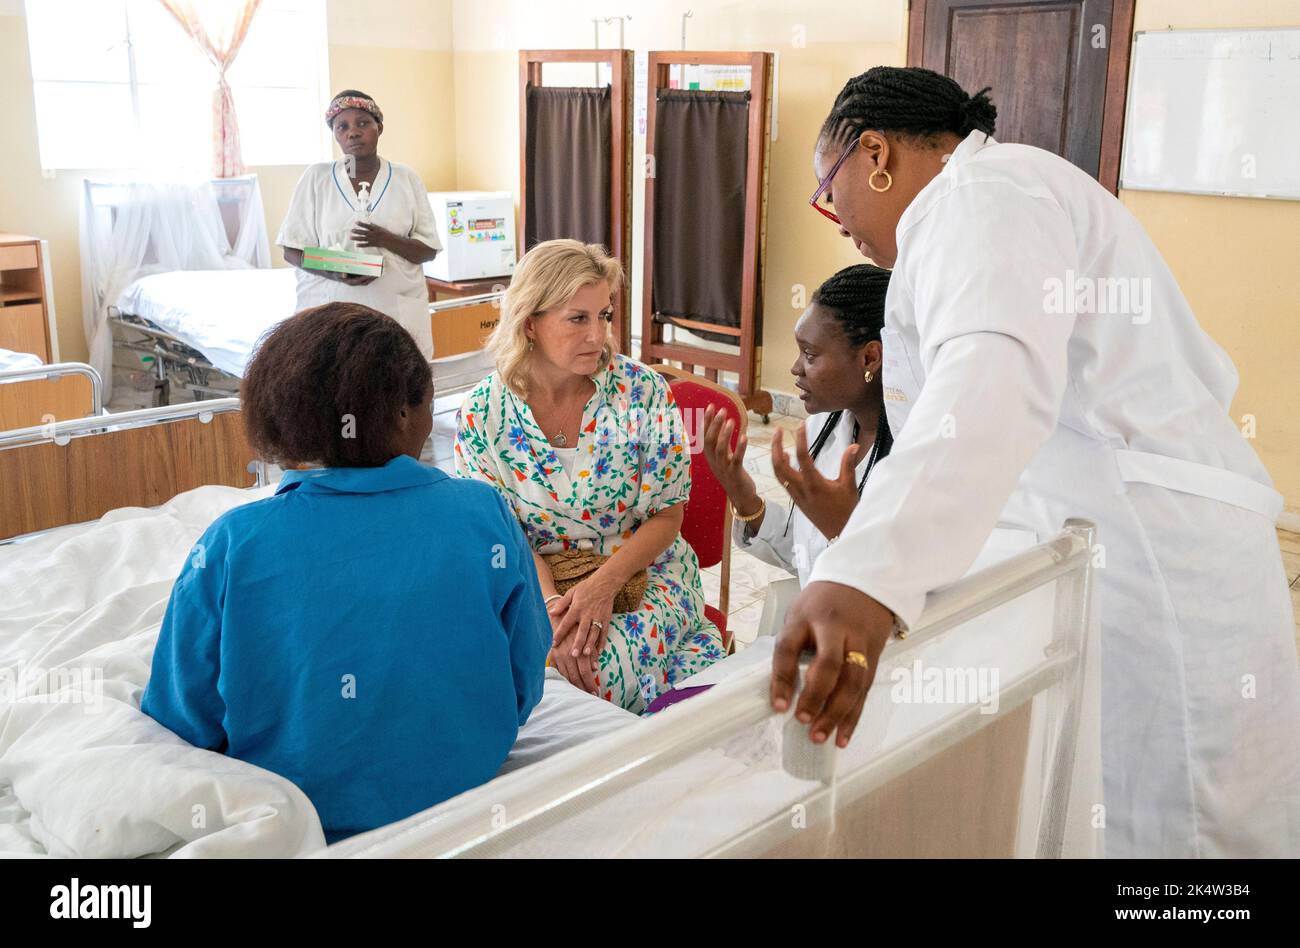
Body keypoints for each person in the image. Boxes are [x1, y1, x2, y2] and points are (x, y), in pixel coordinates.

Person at [770, 65, 1300, 858]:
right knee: (1129, 806)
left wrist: (868, 574)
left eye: (829, 191)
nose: (836, 220)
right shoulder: (973, 210)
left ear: (873, 152)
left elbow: (993, 373)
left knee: (1188, 829)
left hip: (1159, 562)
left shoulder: (980, 198)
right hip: (1123, 544)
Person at [141, 303, 549, 843]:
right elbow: (524, 676)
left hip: (300, 812)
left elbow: (183, 717)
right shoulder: (484, 513)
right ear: (406, 413)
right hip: (468, 782)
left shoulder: (233, 544)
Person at [455, 239, 725, 714]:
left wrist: (601, 587)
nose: (597, 335)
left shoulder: (642, 392)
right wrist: (555, 608)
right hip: (534, 583)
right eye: (577, 318)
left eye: (604, 315)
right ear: (530, 322)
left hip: (645, 571)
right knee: (483, 681)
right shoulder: (483, 412)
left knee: (591, 677)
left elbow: (668, 513)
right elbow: (505, 536)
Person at [700, 264, 893, 586]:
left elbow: (907, 597)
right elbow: (805, 555)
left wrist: (844, 529)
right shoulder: (824, 429)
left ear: (870, 357)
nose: (795, 368)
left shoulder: (915, 457)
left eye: (810, 354)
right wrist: (744, 496)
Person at [277, 90, 441, 357]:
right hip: (332, 316)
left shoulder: (405, 178)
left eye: (363, 123)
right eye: (342, 126)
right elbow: (291, 250)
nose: (353, 132)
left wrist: (384, 239)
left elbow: (427, 251)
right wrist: (335, 269)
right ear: (335, 135)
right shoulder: (316, 178)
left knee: (400, 387)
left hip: (395, 317)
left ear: (379, 128)